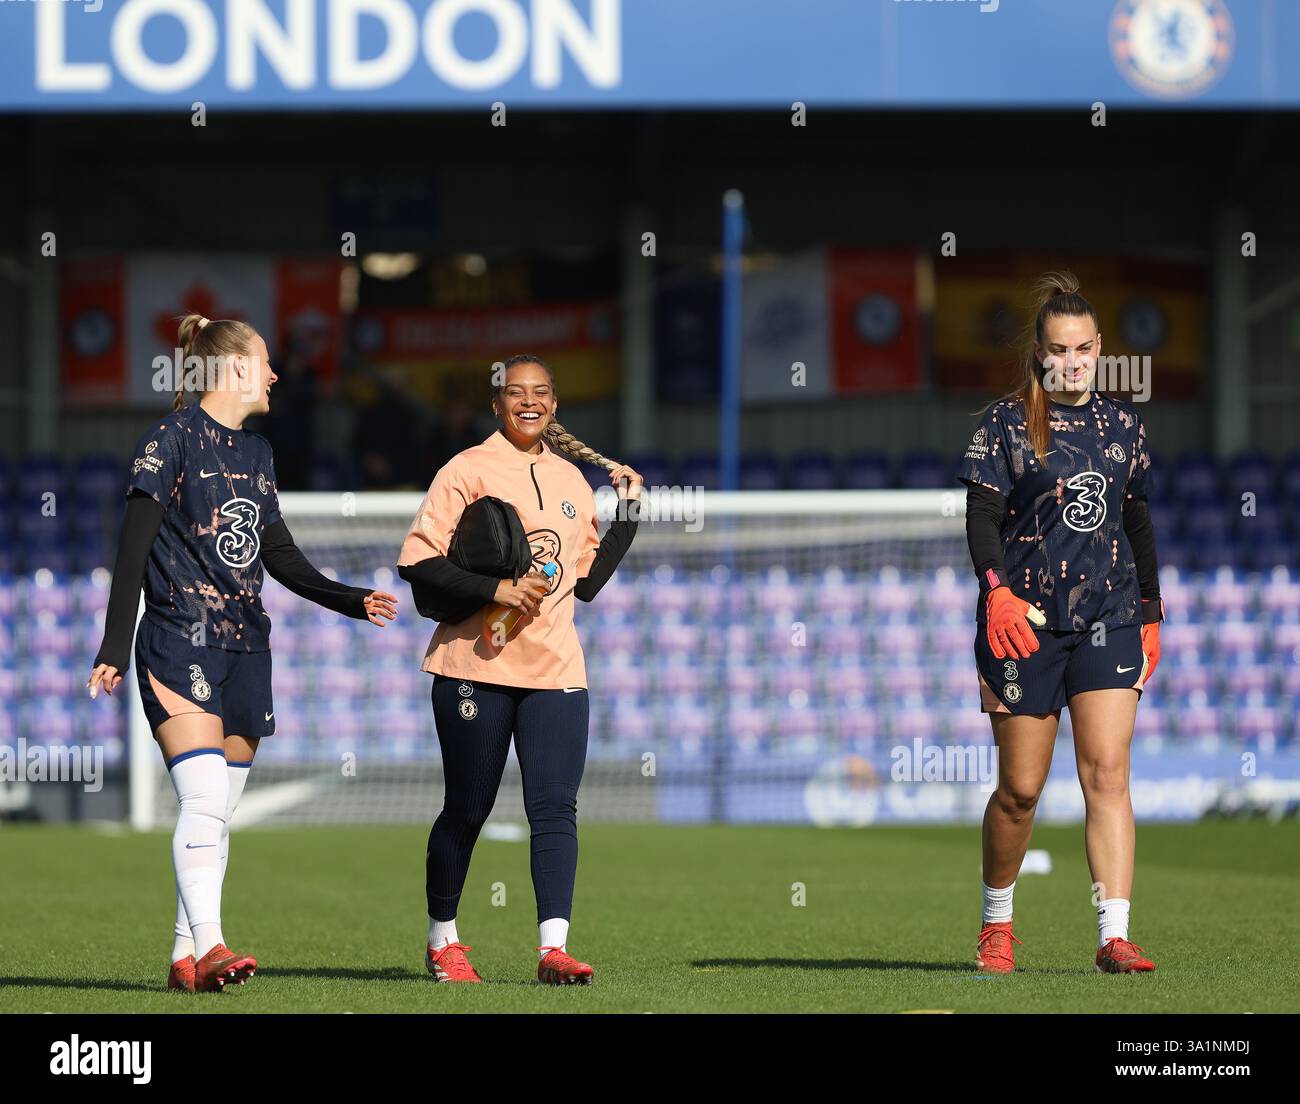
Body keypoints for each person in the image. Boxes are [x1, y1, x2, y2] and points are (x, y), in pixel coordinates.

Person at [87, 315, 398, 993]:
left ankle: (182, 960)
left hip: (248, 648)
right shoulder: (167, 440)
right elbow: (132, 550)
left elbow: (278, 552)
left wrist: (348, 598)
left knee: (216, 812)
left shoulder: (257, 452)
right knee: (202, 800)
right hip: (178, 639)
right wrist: (113, 645)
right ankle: (213, 947)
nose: (276, 375)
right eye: (266, 363)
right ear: (233, 369)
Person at [398, 354, 642, 985]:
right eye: (515, 393)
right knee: (468, 806)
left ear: (554, 405)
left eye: (540, 392)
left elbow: (584, 585)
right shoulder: (466, 469)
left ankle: (553, 951)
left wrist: (629, 514)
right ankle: (442, 941)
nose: (528, 401)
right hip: (472, 666)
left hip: (556, 669)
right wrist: (497, 589)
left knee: (556, 807)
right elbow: (418, 565)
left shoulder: (572, 482)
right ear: (497, 404)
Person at [957, 273, 1163, 975]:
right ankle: (997, 925)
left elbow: (1136, 517)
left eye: (1082, 349)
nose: (1070, 361)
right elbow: (981, 517)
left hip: (1108, 617)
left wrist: (1152, 608)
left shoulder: (1124, 426)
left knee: (1107, 774)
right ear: (1038, 352)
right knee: (1020, 791)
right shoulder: (1005, 423)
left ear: (1100, 347)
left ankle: (1114, 934)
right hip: (1026, 624)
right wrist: (996, 594)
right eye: (1056, 350)